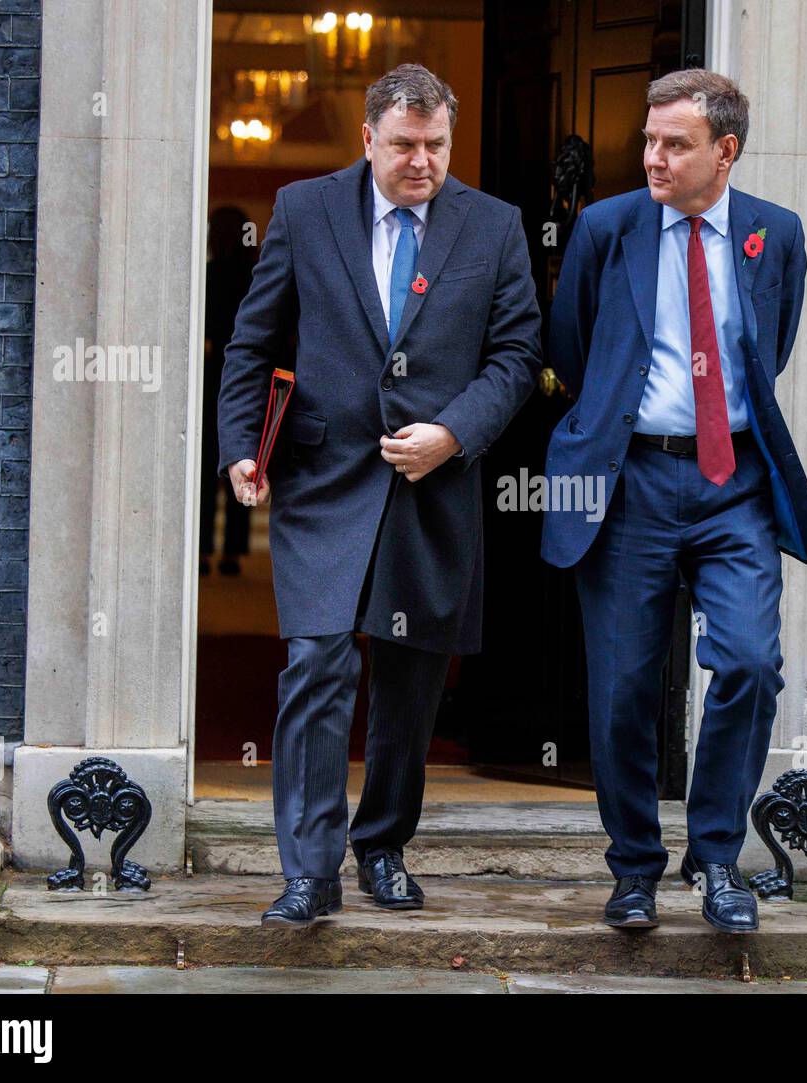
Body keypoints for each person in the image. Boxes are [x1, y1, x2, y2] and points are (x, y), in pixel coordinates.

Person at [217, 63, 542, 927]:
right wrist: (242, 450)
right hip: (324, 481)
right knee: (316, 663)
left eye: (437, 144)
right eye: (405, 145)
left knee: (409, 682)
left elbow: (516, 358)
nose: (423, 161)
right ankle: (309, 870)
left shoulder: (496, 226)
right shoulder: (305, 209)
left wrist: (454, 433)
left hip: (433, 489)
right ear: (368, 138)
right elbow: (252, 344)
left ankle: (383, 847)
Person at [540, 69, 807, 933]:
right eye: (649, 140)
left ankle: (714, 857)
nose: (654, 157)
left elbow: (765, 352)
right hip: (627, 481)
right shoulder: (605, 227)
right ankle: (633, 867)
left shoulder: (776, 234)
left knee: (747, 660)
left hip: (733, 481)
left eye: (676, 144)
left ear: (725, 151)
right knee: (624, 686)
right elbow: (573, 348)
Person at [200, 205, 258, 577]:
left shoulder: (206, 276)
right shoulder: (253, 277)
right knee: (245, 463)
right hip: (248, 380)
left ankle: (203, 549)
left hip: (211, 375)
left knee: (207, 467)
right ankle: (233, 552)